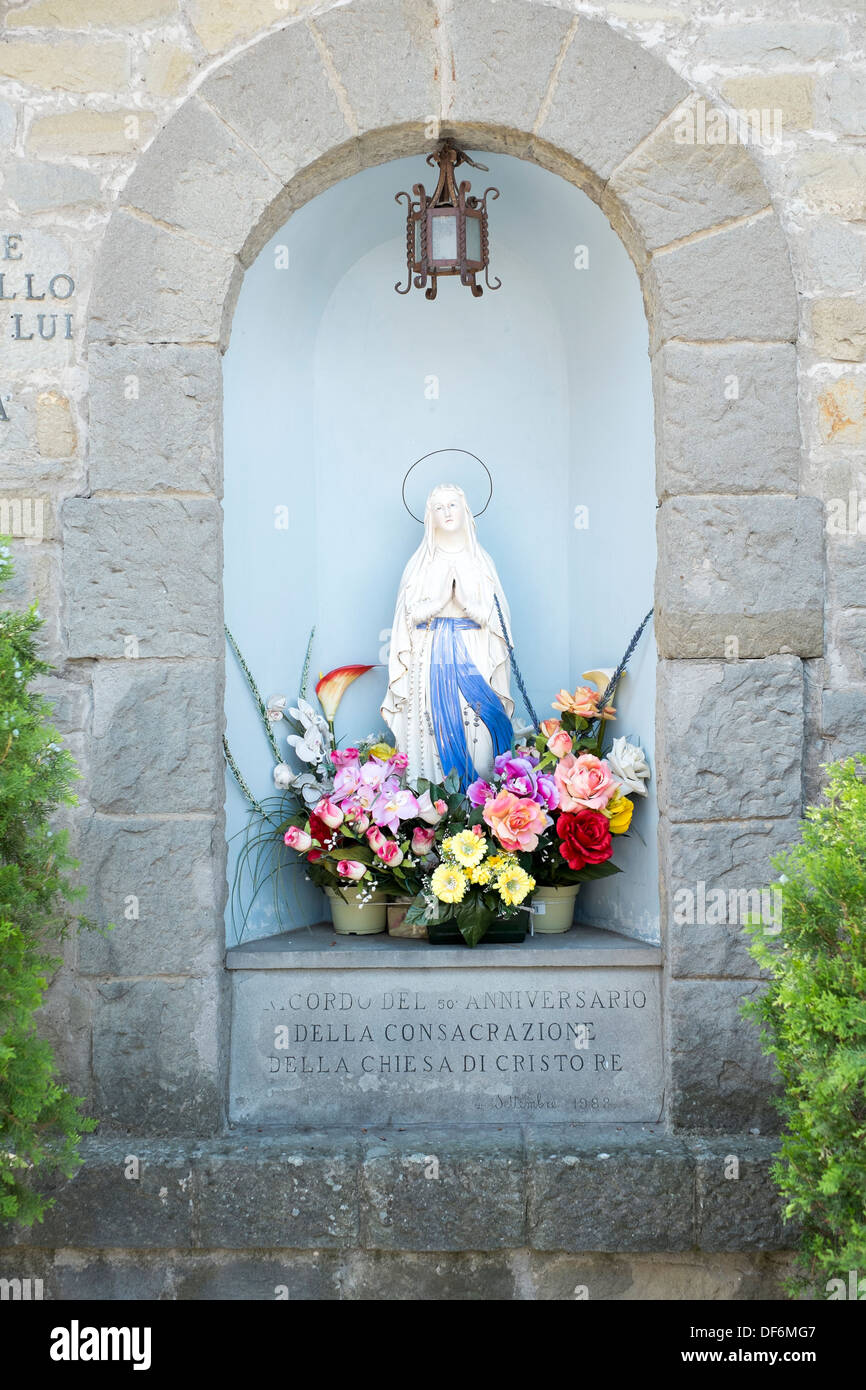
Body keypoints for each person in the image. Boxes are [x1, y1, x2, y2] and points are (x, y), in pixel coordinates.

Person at [381, 483, 515, 788]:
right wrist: (439, 602)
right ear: (431, 516)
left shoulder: (481, 562)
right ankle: (439, 806)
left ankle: (481, 800)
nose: (447, 512)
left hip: (475, 650)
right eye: (439, 507)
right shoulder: (421, 563)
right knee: (432, 727)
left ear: (464, 509)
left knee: (480, 728)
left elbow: (499, 617)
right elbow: (406, 617)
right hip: (431, 655)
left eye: (452, 504)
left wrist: (467, 604)